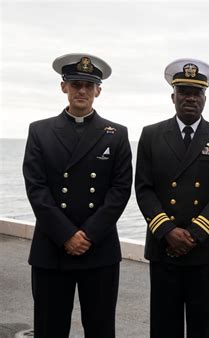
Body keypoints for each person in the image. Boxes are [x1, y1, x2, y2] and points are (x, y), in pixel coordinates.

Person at [22, 53, 133, 337]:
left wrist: (88, 235)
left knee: (100, 328)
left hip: (99, 249)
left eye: (88, 85)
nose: (81, 91)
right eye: (75, 84)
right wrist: (66, 235)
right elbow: (37, 189)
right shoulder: (40, 131)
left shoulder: (117, 135)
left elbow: (120, 191)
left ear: (98, 90)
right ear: (63, 87)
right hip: (52, 247)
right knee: (49, 328)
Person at [135, 58, 209, 338]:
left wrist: (194, 233)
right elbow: (143, 188)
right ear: (173, 97)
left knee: (203, 326)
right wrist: (167, 230)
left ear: (205, 98)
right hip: (163, 245)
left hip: (202, 246)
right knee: (164, 325)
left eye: (196, 93)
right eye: (184, 92)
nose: (190, 98)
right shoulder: (152, 135)